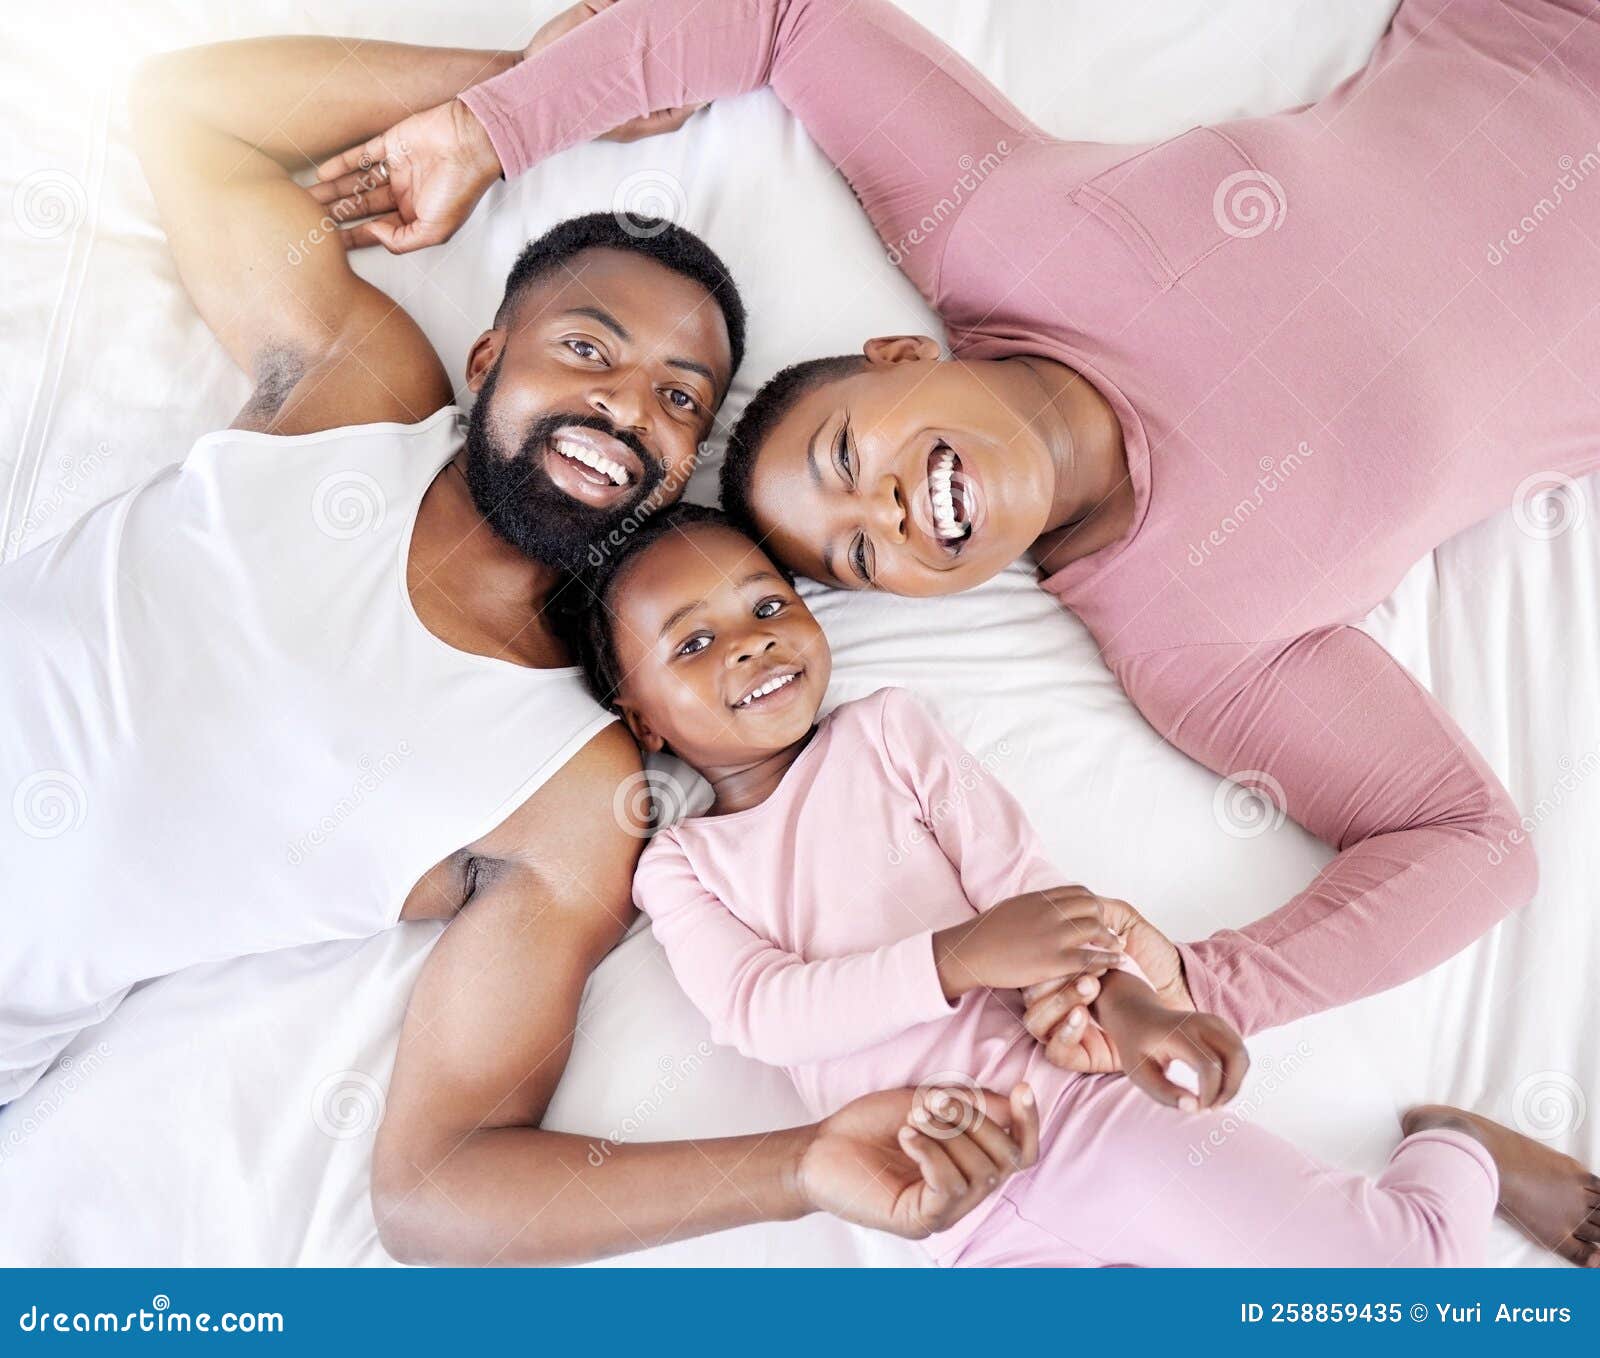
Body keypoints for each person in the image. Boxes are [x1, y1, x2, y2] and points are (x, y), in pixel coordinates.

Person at [324, 0, 1600, 1050]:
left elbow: (784, 18)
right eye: (860, 557)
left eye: (844, 454)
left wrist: (486, 132)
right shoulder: (1190, 629)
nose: (883, 510)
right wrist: (1208, 982)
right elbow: (1469, 847)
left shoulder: (1004, 230)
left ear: (898, 353)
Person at [0, 9, 1043, 1264]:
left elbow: (436, 1191)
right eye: (587, 348)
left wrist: (799, 1169)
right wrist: (550, 98)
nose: (624, 402)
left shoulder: (568, 791)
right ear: (489, 354)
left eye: (678, 397)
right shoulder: (356, 393)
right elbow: (190, 110)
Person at [564, 504, 1600, 1267]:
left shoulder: (886, 735)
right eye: (692, 643)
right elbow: (764, 1014)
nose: (749, 639)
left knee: (1396, 1283)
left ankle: (1455, 1165)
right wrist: (956, 957)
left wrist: (1141, 1007)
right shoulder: (683, 865)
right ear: (643, 716)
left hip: (1087, 1116)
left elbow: (1043, 901)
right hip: (956, 1214)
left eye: (768, 603)